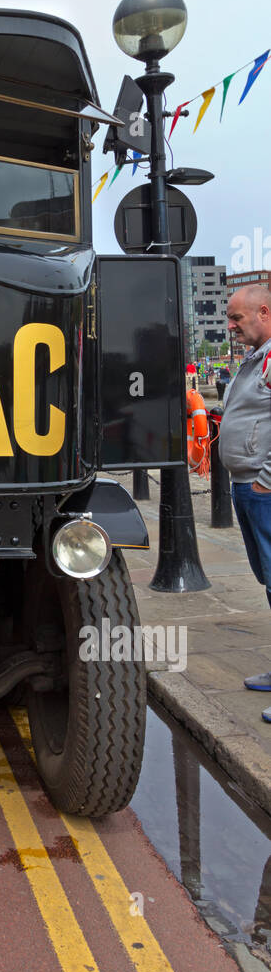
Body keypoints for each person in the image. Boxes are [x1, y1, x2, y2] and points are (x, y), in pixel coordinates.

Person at [219, 285, 271, 719]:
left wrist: (265, 482)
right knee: (268, 582)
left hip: (262, 488)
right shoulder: (255, 360)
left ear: (264, 312)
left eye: (237, 318)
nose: (231, 326)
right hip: (248, 485)